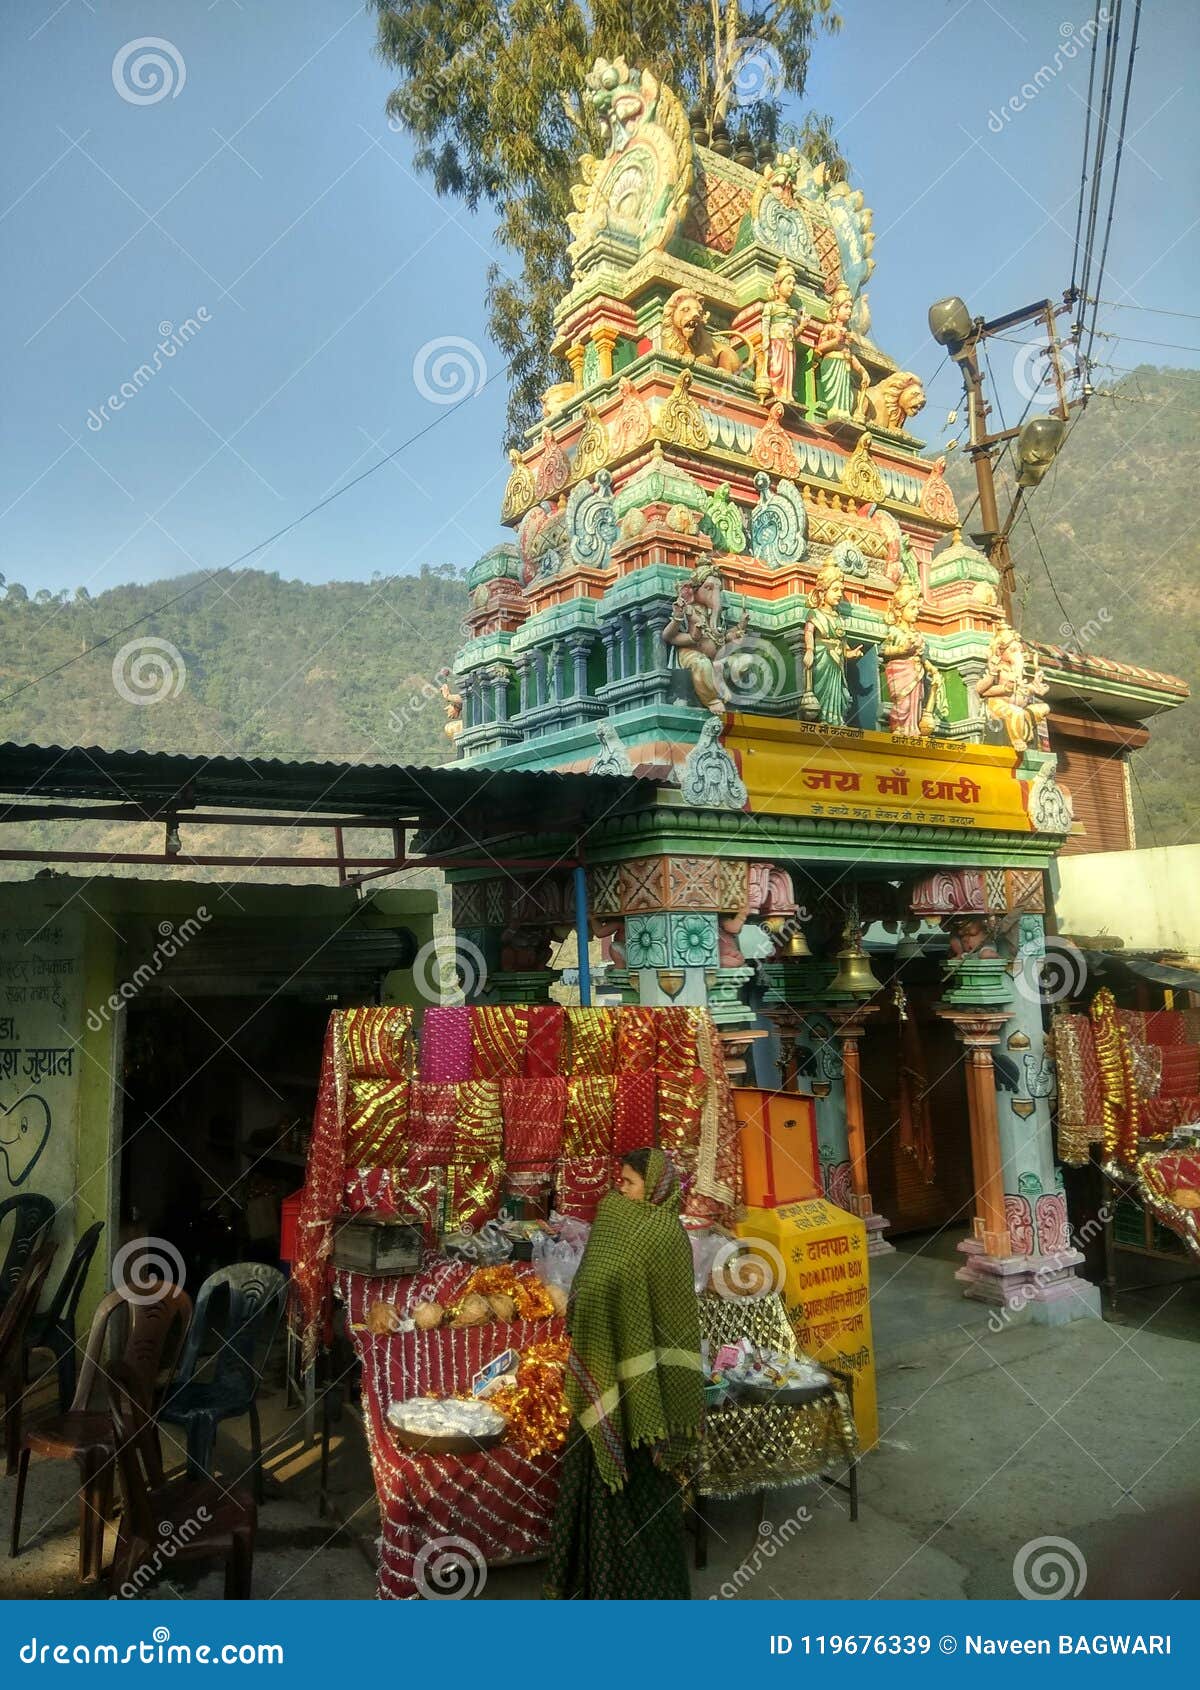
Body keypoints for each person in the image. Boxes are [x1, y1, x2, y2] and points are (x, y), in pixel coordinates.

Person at [544, 1147, 704, 1600]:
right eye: (620, 1181)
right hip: (603, 1372)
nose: (620, 1190)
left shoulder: (663, 1235)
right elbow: (593, 1284)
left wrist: (591, 1296)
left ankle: (647, 1592)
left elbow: (672, 1317)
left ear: (655, 1189)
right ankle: (592, 1585)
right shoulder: (617, 1224)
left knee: (639, 1494)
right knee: (595, 1483)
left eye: (630, 1183)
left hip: (647, 1400)